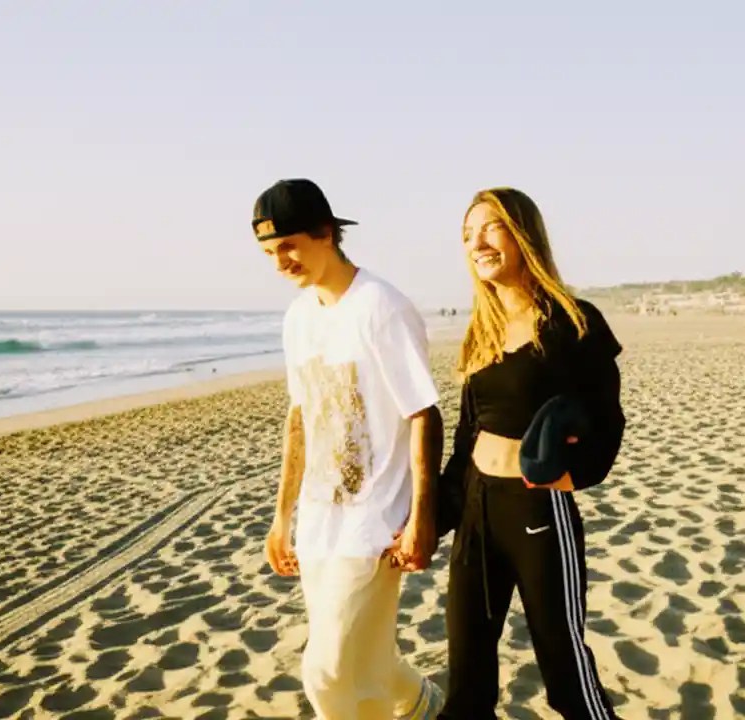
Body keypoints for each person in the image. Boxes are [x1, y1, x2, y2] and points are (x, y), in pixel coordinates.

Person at [254, 178, 445, 719]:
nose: (279, 262)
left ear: (325, 233)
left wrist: (420, 516)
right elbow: (300, 418)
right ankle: (422, 704)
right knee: (365, 663)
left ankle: (417, 703)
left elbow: (423, 412)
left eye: (287, 245)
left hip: (374, 520)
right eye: (269, 252)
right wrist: (281, 515)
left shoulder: (380, 306)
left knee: (327, 671)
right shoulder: (298, 319)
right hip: (318, 521)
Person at [437, 187, 625, 719]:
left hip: (536, 508)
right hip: (478, 508)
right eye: (467, 233)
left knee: (567, 677)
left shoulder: (571, 319)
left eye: (490, 227)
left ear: (523, 235)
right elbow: (467, 433)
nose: (477, 241)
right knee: (468, 684)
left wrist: (577, 474)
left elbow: (607, 414)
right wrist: (438, 515)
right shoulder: (482, 330)